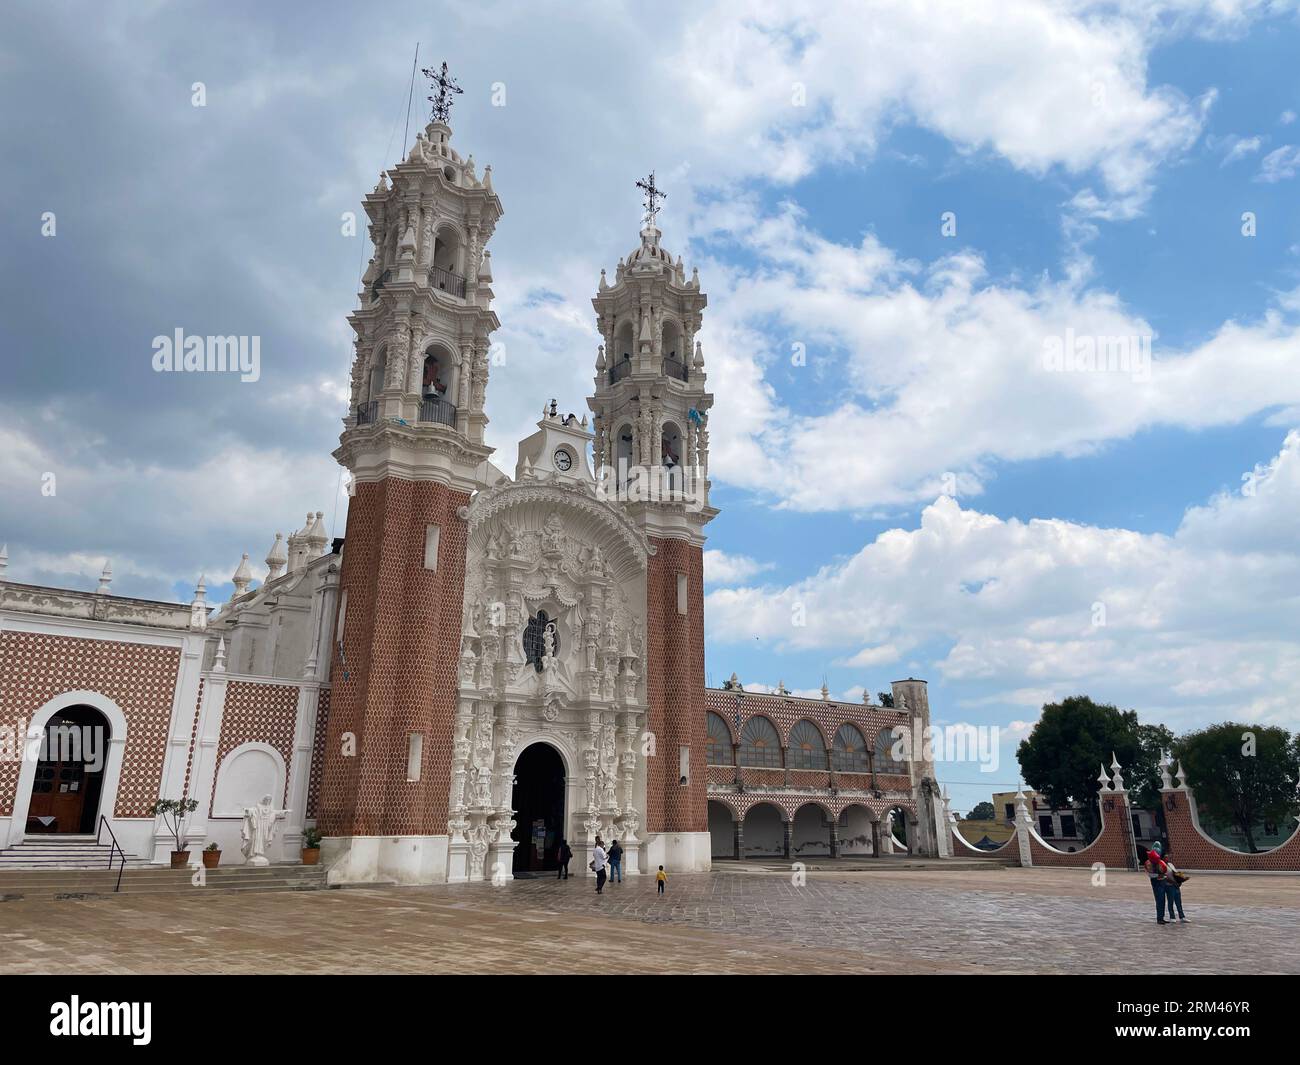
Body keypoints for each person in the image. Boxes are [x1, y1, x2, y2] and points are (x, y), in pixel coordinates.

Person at [1144, 841, 1171, 924]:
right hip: (1157, 882)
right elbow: (1150, 874)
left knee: (1162, 900)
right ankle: (1159, 918)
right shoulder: (1149, 863)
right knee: (1159, 900)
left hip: (1161, 881)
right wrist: (1158, 876)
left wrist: (1164, 875)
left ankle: (1161, 917)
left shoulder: (1158, 863)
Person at [1163, 850, 1189, 923]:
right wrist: (1173, 882)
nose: (1168, 858)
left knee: (1178, 902)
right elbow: (1164, 876)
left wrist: (1180, 880)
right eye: (1167, 857)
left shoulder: (1171, 864)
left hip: (1176, 885)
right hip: (1169, 885)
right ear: (1163, 857)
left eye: (1169, 857)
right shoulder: (1162, 865)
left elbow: (1175, 873)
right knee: (1171, 901)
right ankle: (1172, 917)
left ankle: (1182, 916)